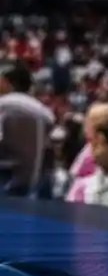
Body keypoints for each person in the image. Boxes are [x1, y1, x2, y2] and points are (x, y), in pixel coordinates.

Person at [0, 63, 54, 199]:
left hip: (6, 183)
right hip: (36, 189)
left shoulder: (3, 105)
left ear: (6, 82)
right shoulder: (45, 112)